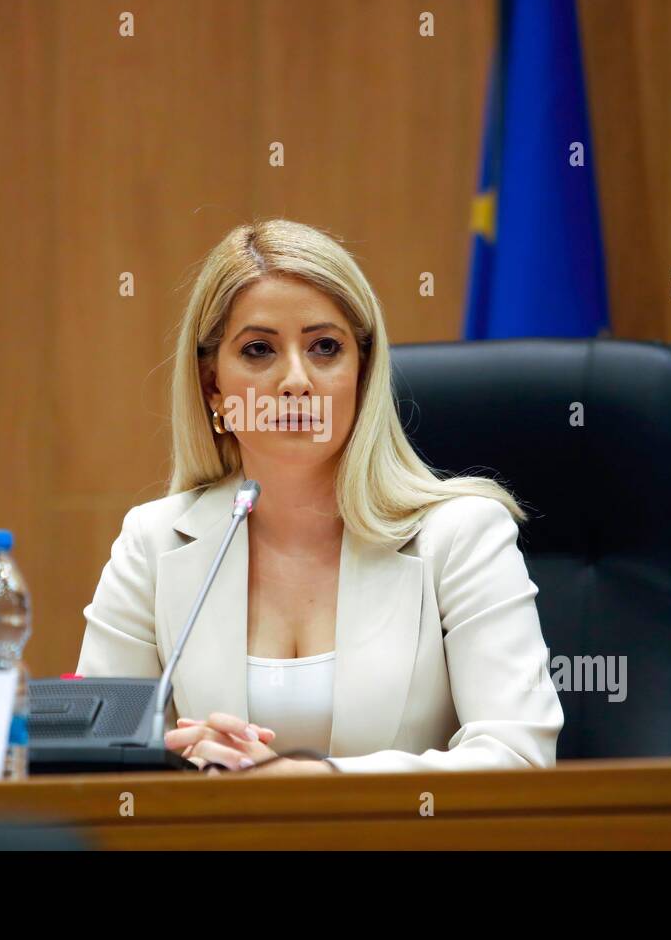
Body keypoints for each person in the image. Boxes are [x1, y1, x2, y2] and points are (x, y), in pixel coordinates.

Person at [75, 219, 563, 775]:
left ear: (362, 371)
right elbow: (96, 769)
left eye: (325, 347)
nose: (295, 380)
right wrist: (180, 766)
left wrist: (306, 779)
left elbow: (518, 758)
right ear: (213, 385)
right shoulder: (153, 543)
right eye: (259, 349)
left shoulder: (460, 536)